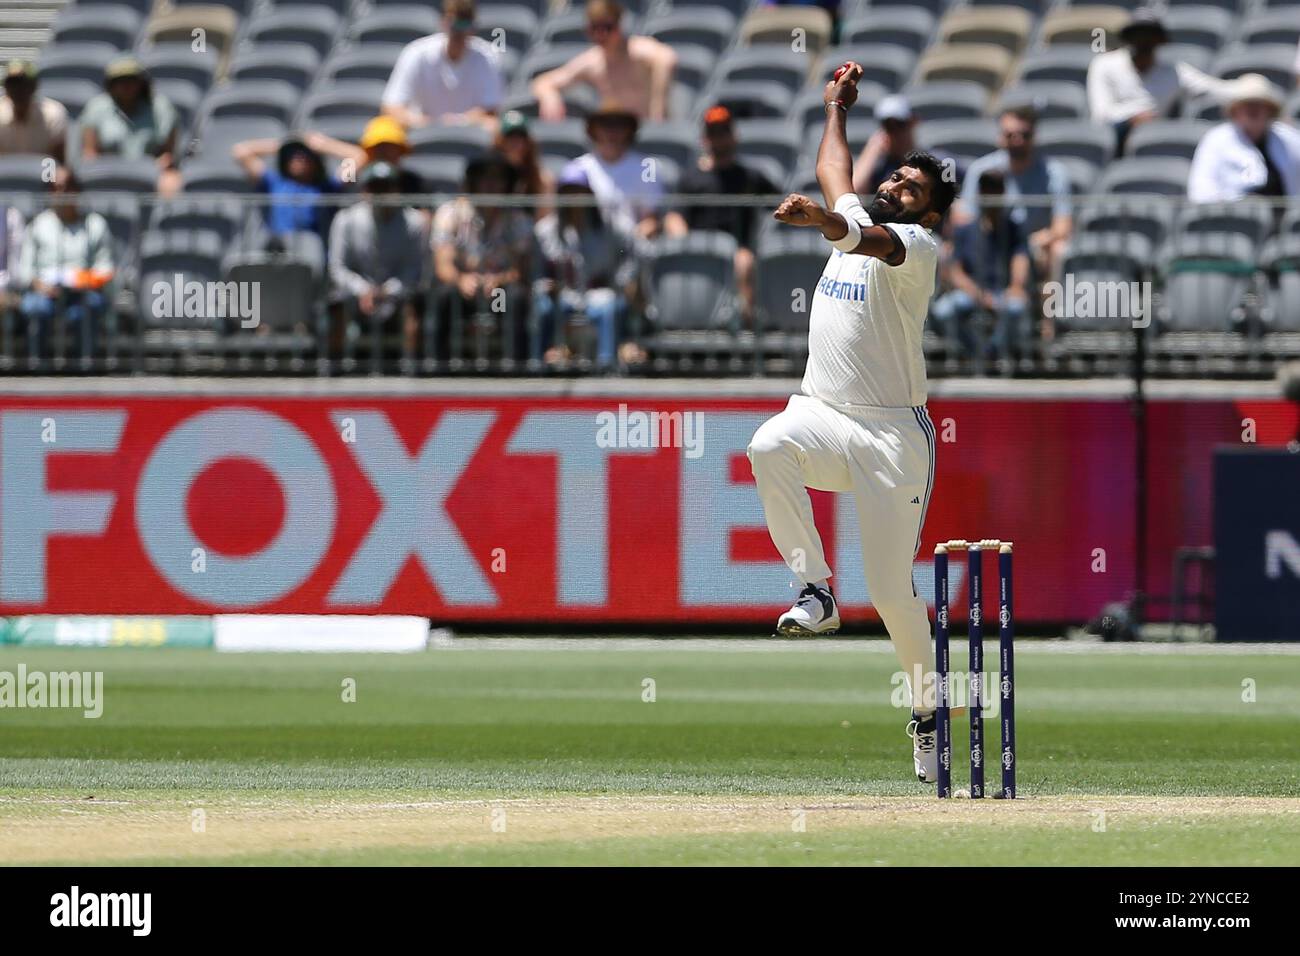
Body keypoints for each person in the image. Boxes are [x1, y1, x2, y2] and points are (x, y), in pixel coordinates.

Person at [745, 62, 953, 786]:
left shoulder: (916, 249)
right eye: (894, 178)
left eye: (912, 189)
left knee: (893, 591)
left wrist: (822, 222)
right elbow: (833, 166)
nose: (895, 186)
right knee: (768, 442)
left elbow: (858, 235)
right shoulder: (861, 217)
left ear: (928, 214)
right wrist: (835, 107)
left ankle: (929, 714)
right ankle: (815, 590)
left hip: (893, 439)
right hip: (823, 416)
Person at [663, 105, 777, 323]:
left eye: (724, 132)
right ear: (704, 139)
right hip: (700, 249)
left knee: (744, 261)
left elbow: (780, 205)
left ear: (733, 136)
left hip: (737, 251)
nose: (719, 139)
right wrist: (685, 243)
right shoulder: (691, 178)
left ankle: (746, 323)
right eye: (713, 133)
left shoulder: (750, 177)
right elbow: (674, 216)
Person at [431, 152, 533, 362]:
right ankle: (440, 365)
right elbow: (443, 266)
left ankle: (514, 365)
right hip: (463, 292)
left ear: (507, 185)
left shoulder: (517, 218)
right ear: (472, 182)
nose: (491, 185)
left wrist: (498, 280)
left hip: (497, 294)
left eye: (497, 178)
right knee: (443, 296)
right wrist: (461, 280)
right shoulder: (450, 213)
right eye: (484, 178)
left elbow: (520, 269)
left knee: (514, 298)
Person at [532, 166, 637, 368]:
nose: (574, 198)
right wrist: (545, 286)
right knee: (542, 307)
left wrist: (622, 281)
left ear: (590, 194)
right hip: (562, 295)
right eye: (568, 192)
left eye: (579, 191)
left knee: (609, 306)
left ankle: (606, 366)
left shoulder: (608, 225)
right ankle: (537, 367)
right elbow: (536, 272)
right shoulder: (546, 230)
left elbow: (631, 251)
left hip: (597, 292)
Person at [1086, 8, 1230, 155]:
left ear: (1158, 41)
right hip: (1115, 142)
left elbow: (1215, 89)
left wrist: (1249, 86)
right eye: (1138, 35)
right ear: (1129, 39)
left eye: (1149, 36)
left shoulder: (1174, 72)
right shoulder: (1104, 64)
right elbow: (1101, 114)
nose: (1143, 42)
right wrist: (1134, 118)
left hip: (1155, 140)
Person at [958, 106, 1071, 292]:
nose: (1017, 141)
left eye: (1024, 135)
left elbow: (1063, 227)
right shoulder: (982, 171)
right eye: (1010, 135)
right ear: (1000, 136)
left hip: (1036, 247)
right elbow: (964, 218)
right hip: (992, 244)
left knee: (1059, 249)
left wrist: (1035, 241)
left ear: (1034, 136)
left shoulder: (1054, 173)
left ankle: (1047, 319)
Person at [328, 161, 429, 361]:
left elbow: (414, 269)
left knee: (416, 304)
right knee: (336, 302)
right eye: (375, 187)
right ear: (365, 191)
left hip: (397, 295)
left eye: (387, 187)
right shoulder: (346, 219)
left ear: (397, 190)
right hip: (356, 294)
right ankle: (335, 363)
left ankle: (412, 364)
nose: (381, 194)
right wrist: (362, 289)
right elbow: (338, 268)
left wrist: (388, 290)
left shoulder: (415, 222)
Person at [931, 170, 1031, 364]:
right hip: (972, 293)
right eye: (987, 189)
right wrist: (980, 295)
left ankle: (992, 351)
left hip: (1003, 292)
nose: (991, 195)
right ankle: (980, 352)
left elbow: (1020, 260)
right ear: (979, 192)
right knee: (943, 311)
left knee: (1016, 307)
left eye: (996, 189)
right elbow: (955, 272)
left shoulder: (1014, 229)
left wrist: (1016, 287)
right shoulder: (965, 230)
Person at [14, 167, 113, 359]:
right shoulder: (38, 225)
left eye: (68, 187)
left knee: (88, 306)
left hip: (84, 292)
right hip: (45, 293)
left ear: (78, 191)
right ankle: (37, 365)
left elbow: (105, 270)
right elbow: (25, 271)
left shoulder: (95, 224)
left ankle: (85, 367)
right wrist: (41, 286)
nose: (62, 193)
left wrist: (82, 282)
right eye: (56, 187)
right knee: (35, 307)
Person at [531, 0, 677, 122]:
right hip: (617, 135)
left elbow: (667, 58)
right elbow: (544, 82)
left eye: (607, 28)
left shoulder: (637, 50)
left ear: (619, 25)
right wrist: (549, 97)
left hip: (650, 128)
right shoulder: (592, 61)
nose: (601, 35)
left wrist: (658, 107)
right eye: (595, 28)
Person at [381, 0, 503, 132]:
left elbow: (491, 109)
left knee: (493, 126)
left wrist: (460, 121)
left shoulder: (488, 56)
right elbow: (391, 107)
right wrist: (428, 124)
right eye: (454, 26)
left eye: (464, 26)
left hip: (471, 133)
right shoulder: (416, 53)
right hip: (420, 133)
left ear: (473, 29)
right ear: (443, 23)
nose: (458, 34)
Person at [1188, 74, 1300, 203]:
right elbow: (1201, 191)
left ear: (1270, 110)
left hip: (1283, 218)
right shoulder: (1216, 140)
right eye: (1246, 104)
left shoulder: (1289, 139)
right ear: (1235, 111)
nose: (1253, 109)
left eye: (1259, 104)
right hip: (1231, 217)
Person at [79, 56, 179, 194]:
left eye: (131, 80)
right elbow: (89, 153)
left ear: (141, 83)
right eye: (120, 81)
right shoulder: (96, 108)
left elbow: (168, 154)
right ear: (111, 85)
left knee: (171, 181)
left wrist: (155, 166)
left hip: (150, 173)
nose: (126, 85)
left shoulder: (160, 108)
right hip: (107, 172)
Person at [562, 101, 663, 239]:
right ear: (593, 129)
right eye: (605, 124)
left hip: (632, 245)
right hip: (588, 246)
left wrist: (631, 241)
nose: (612, 132)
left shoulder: (647, 167)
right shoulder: (577, 168)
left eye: (619, 125)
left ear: (629, 130)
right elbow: (571, 218)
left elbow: (651, 218)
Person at [233, 132, 352, 244]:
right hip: (279, 251)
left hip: (314, 254)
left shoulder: (328, 187)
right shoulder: (274, 183)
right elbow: (241, 152)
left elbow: (355, 157)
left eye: (305, 155)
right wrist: (284, 145)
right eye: (293, 155)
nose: (298, 159)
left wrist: (325, 145)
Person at [0, 59, 66, 161]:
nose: (18, 90)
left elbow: (59, 163)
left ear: (34, 86)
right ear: (6, 88)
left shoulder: (53, 113)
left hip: (43, 175)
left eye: (23, 84)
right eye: (13, 84)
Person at [852, 95, 918, 195]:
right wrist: (872, 149)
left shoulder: (931, 160)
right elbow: (854, 193)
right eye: (889, 126)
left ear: (912, 123)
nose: (895, 132)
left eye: (900, 125)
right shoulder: (878, 167)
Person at [495, 110, 554, 220]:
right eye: (510, 137)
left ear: (528, 142)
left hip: (531, 234)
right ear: (500, 141)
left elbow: (545, 221)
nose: (515, 142)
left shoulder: (542, 179)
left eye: (520, 137)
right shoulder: (489, 176)